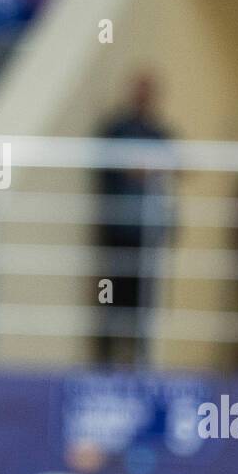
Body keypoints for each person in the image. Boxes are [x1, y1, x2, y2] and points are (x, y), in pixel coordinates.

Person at [93, 74, 175, 367]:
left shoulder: (159, 132)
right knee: (111, 296)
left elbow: (178, 166)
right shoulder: (117, 129)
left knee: (144, 300)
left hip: (148, 231)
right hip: (119, 228)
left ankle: (139, 360)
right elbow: (109, 169)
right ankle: (106, 361)